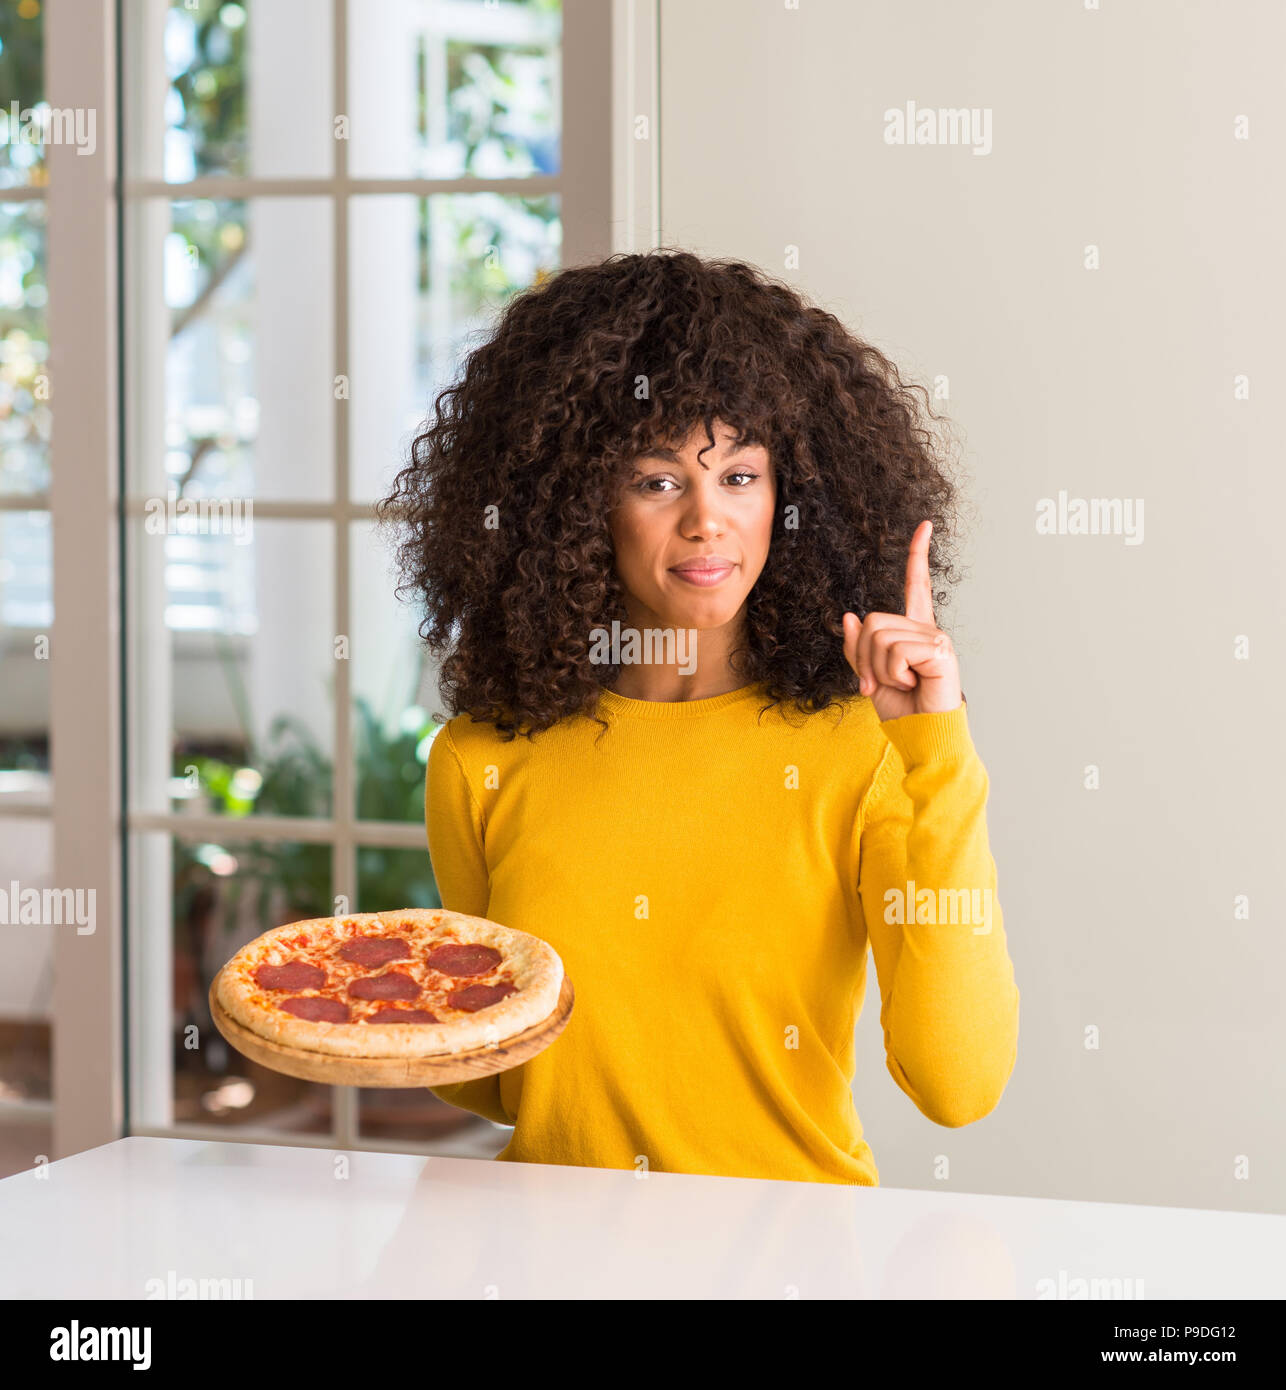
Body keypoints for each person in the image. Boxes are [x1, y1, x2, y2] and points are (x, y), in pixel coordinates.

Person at [378, 248, 1019, 1185]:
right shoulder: (481, 758)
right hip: (544, 1262)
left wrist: (935, 747)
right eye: (657, 480)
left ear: (792, 496)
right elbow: (491, 1082)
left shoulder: (868, 753)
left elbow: (958, 1082)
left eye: (740, 478)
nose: (706, 522)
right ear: (572, 502)